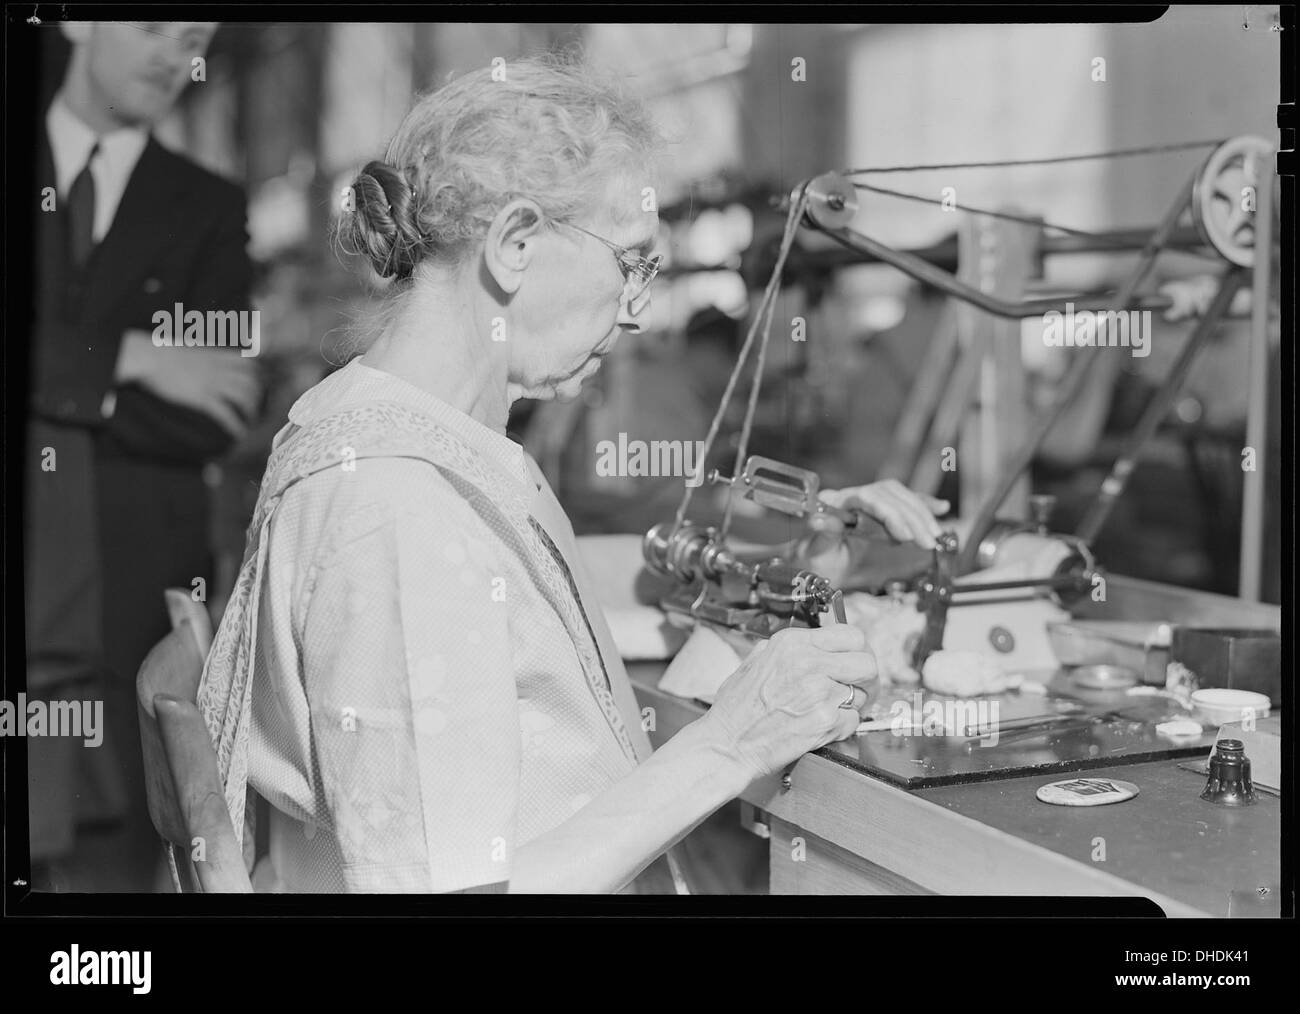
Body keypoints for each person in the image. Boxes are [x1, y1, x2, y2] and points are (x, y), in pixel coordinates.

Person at [196, 56, 945, 893]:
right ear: (515, 245)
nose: (635, 308)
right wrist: (732, 740)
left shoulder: (398, 431)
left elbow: (536, 614)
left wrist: (792, 543)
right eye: (630, 262)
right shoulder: (397, 508)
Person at [27, 21, 260, 891]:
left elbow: (216, 415)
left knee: (112, 872)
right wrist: (136, 357)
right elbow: (172, 401)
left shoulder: (206, 204)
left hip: (125, 615)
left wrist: (58, 384)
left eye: (194, 34)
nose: (176, 53)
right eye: (153, 25)